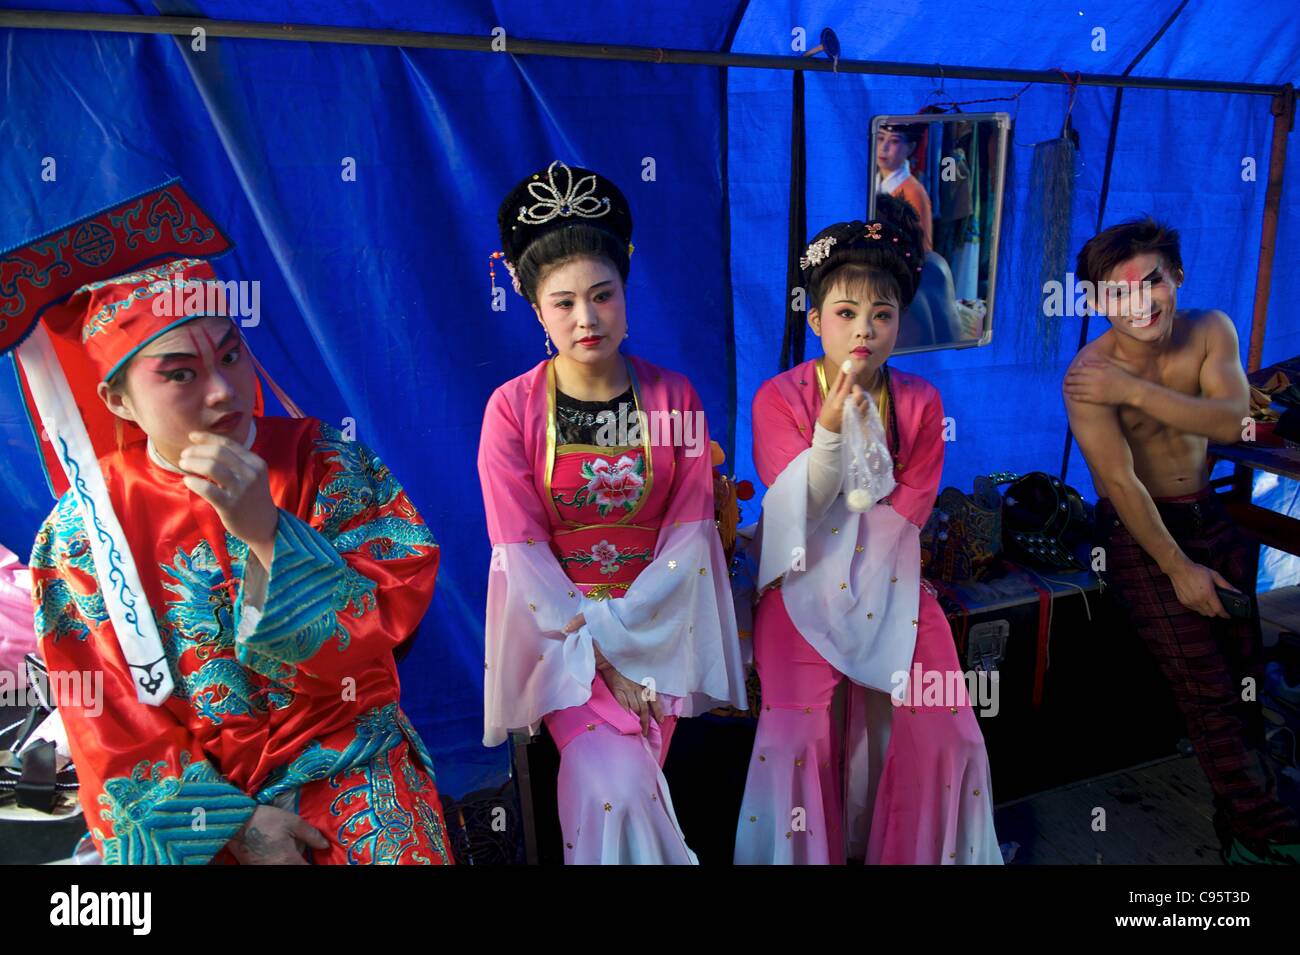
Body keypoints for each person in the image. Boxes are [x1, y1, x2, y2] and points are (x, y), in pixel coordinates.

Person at [6, 181, 451, 864]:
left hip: (347, 761)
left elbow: (381, 622)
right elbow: (110, 726)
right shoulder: (77, 538)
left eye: (231, 354)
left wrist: (268, 531)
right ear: (118, 399)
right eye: (180, 374)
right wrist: (239, 828)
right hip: (197, 811)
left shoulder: (322, 459)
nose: (222, 390)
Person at [478, 160, 747, 864]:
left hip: (660, 637)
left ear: (627, 294)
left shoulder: (673, 398)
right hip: (560, 649)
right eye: (563, 302)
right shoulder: (511, 411)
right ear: (535, 310)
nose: (586, 317)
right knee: (617, 789)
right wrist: (601, 658)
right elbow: (523, 560)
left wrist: (637, 652)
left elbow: (689, 545)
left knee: (640, 784)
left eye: (603, 294)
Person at [733, 212, 1001, 864]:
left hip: (894, 582)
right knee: (796, 739)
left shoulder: (921, 402)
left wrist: (868, 595)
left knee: (952, 733)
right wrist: (828, 430)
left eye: (881, 314)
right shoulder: (779, 398)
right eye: (845, 311)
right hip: (800, 585)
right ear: (816, 318)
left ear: (899, 322)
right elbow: (797, 505)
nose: (863, 329)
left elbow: (907, 512)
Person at [1064, 216, 1300, 865]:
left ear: (1179, 278)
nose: (1138, 302)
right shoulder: (1087, 376)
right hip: (1141, 533)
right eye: (1116, 291)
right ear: (1093, 301)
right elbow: (1119, 481)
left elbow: (1231, 418)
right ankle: (1265, 836)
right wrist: (1178, 568)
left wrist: (1135, 390)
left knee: (1248, 674)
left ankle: (1242, 813)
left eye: (1152, 282)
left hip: (1208, 513)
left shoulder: (1211, 329)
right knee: (1210, 689)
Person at [875, 123, 933, 251]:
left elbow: (922, 248)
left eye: (894, 141)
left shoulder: (913, 192)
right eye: (880, 138)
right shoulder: (872, 182)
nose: (884, 147)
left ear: (911, 148)